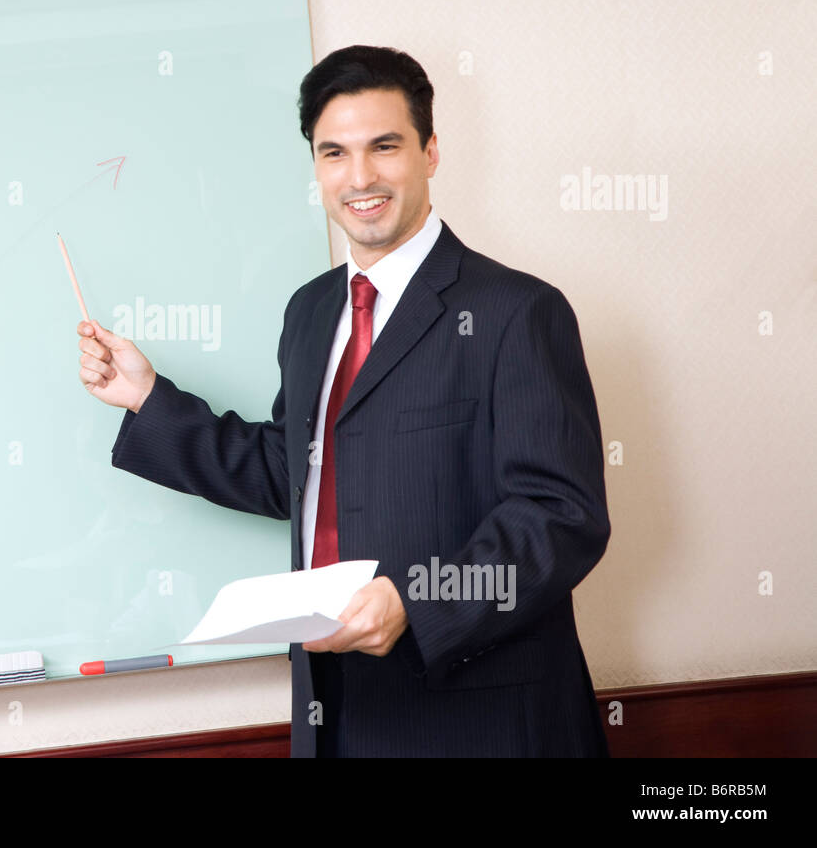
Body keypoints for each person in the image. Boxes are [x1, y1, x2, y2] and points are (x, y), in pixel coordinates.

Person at [76, 45, 611, 757]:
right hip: (335, 713)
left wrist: (418, 606)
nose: (360, 177)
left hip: (478, 720)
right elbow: (295, 472)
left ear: (430, 152)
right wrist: (146, 398)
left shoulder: (518, 311)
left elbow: (561, 518)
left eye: (384, 147)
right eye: (334, 153)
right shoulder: (311, 312)